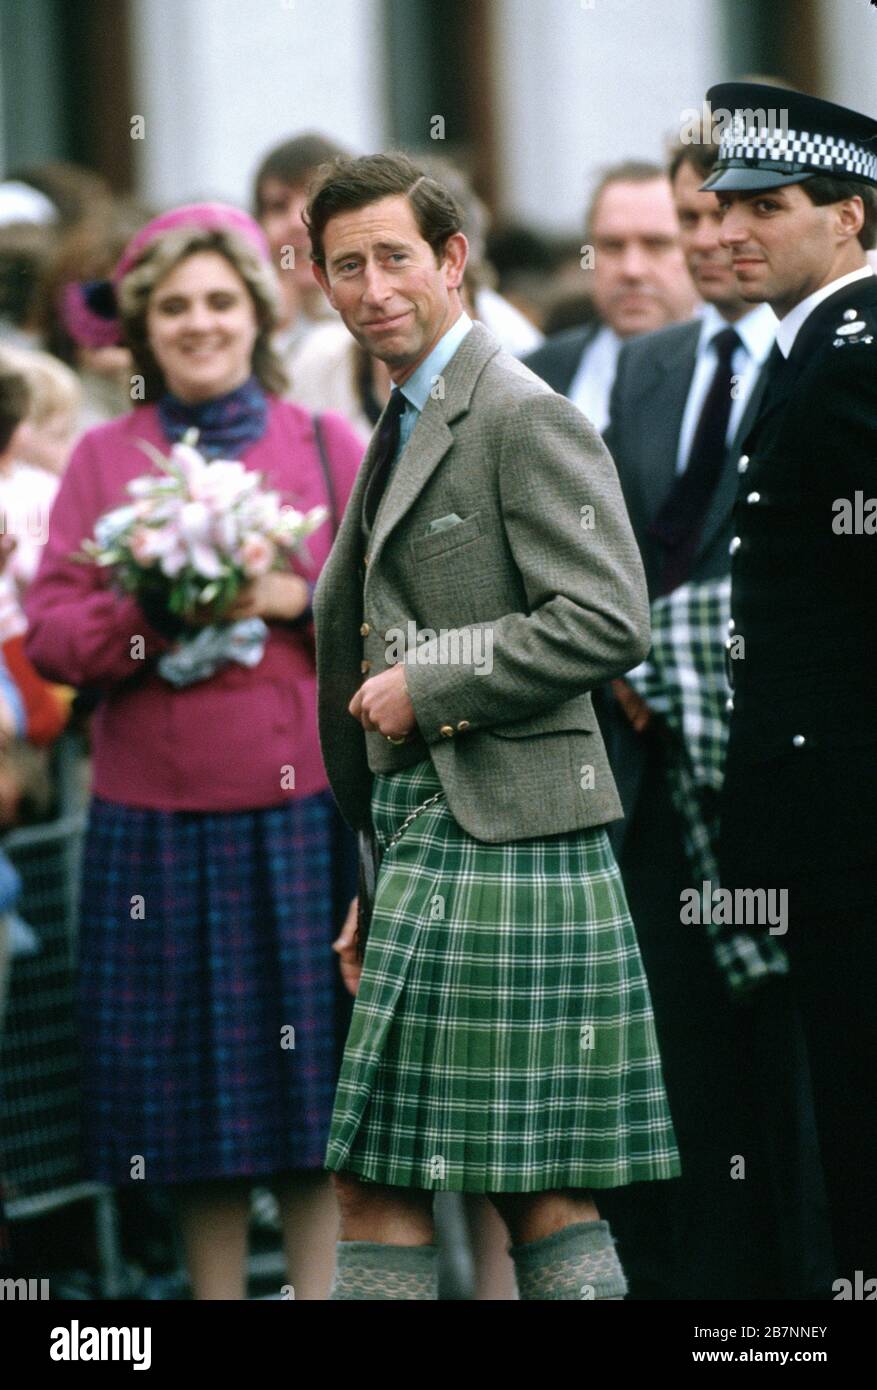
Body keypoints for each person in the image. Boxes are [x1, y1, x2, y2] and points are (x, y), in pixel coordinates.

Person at [304, 151, 680, 1301]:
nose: (372, 288)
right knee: (502, 1182)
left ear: (453, 260)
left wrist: (434, 677)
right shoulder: (406, 413)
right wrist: (378, 864)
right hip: (433, 838)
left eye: (394, 259)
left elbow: (612, 616)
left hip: (512, 835)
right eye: (344, 266)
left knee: (453, 1181)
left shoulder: (520, 411)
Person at [24, 202, 365, 1299]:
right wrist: (158, 609)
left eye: (220, 300)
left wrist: (287, 594)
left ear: (257, 314)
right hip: (156, 822)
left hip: (296, 808)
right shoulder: (102, 454)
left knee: (309, 1096)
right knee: (184, 1106)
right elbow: (57, 638)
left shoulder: (323, 443)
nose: (198, 322)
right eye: (172, 306)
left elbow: (387, 614)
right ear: (139, 327)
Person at [594, 130, 832, 1298]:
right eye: (684, 223)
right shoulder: (642, 368)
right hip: (648, 793)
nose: (705, 242)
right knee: (684, 1070)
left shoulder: (828, 350)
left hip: (782, 782)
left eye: (718, 216)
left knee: (795, 1063)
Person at [705, 81, 877, 1286]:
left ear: (851, 218)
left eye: (768, 205)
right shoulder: (815, 345)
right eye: (723, 209)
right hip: (822, 809)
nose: (731, 231)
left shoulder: (854, 353)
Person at [524, 160, 698, 430]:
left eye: (657, 244)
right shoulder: (535, 374)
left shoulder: (730, 372)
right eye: (612, 246)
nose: (632, 270)